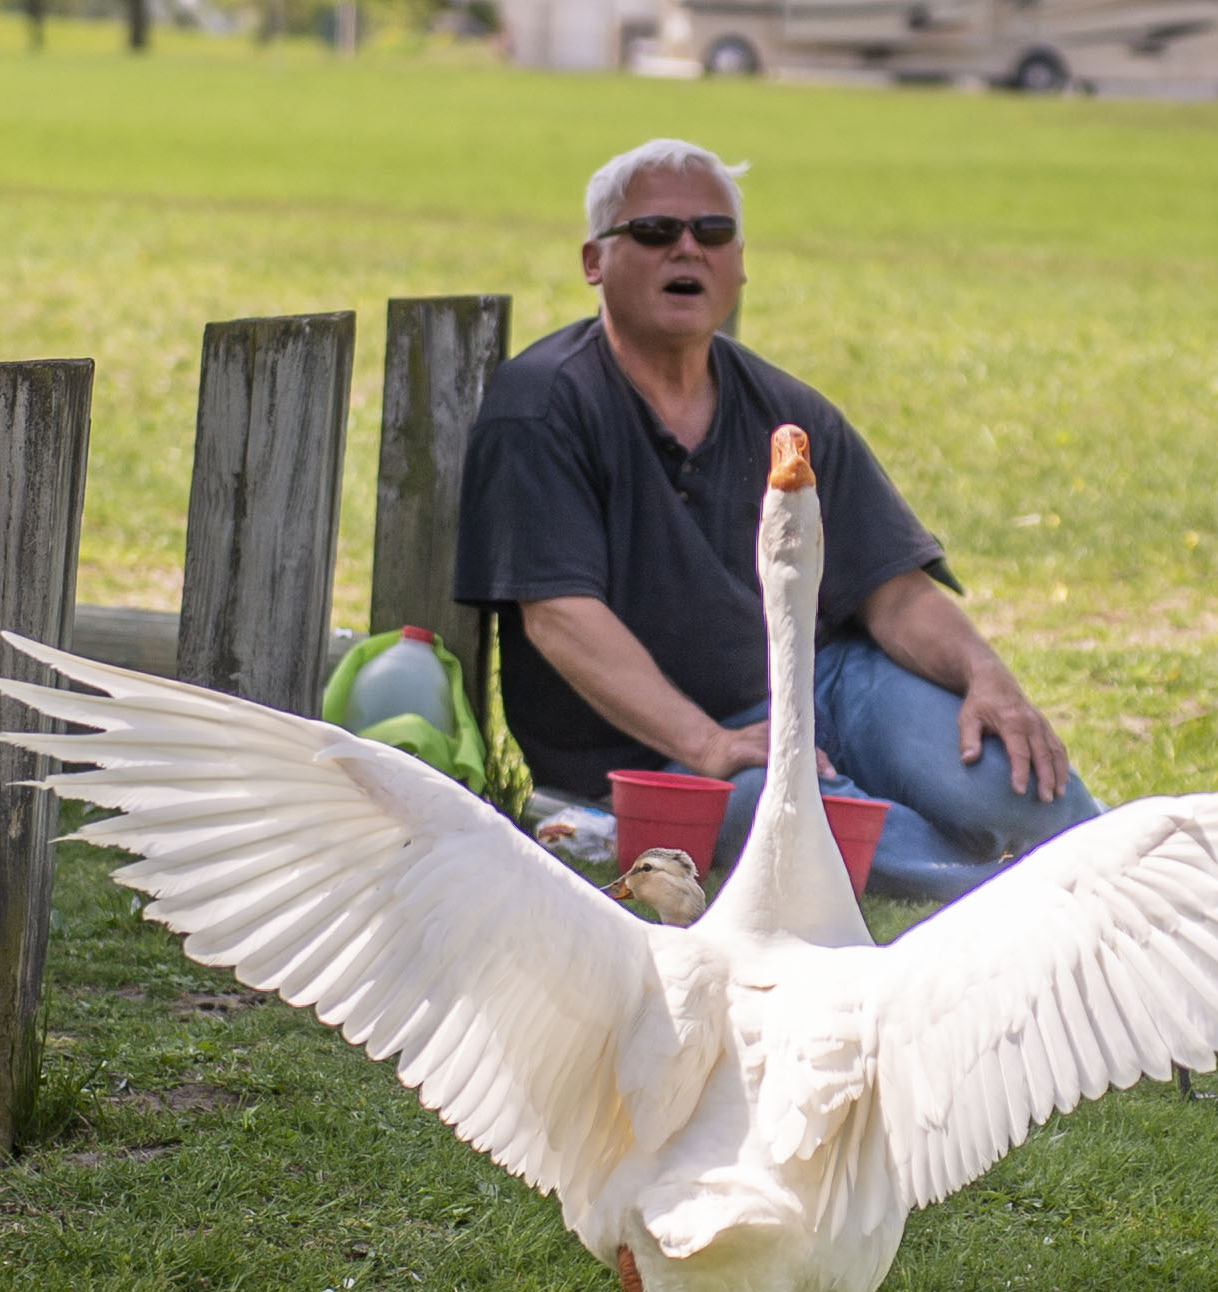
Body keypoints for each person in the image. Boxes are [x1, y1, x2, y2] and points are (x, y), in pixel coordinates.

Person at [453, 138, 1100, 901]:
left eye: (712, 232)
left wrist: (987, 678)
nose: (687, 248)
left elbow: (891, 591)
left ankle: (1146, 881)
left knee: (1015, 784)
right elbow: (559, 618)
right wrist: (710, 743)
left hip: (819, 683)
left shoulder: (789, 410)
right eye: (656, 231)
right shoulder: (540, 407)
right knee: (807, 827)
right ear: (594, 260)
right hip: (654, 754)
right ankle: (1018, 902)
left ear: (737, 263)